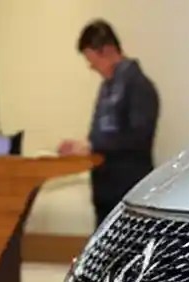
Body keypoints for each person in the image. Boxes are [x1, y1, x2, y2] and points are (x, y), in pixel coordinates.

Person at [59, 20, 160, 227]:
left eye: (93, 60)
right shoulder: (107, 89)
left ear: (107, 50)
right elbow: (99, 136)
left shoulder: (139, 86)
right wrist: (82, 146)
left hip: (129, 192)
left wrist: (93, 146)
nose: (91, 67)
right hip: (104, 190)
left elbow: (138, 138)